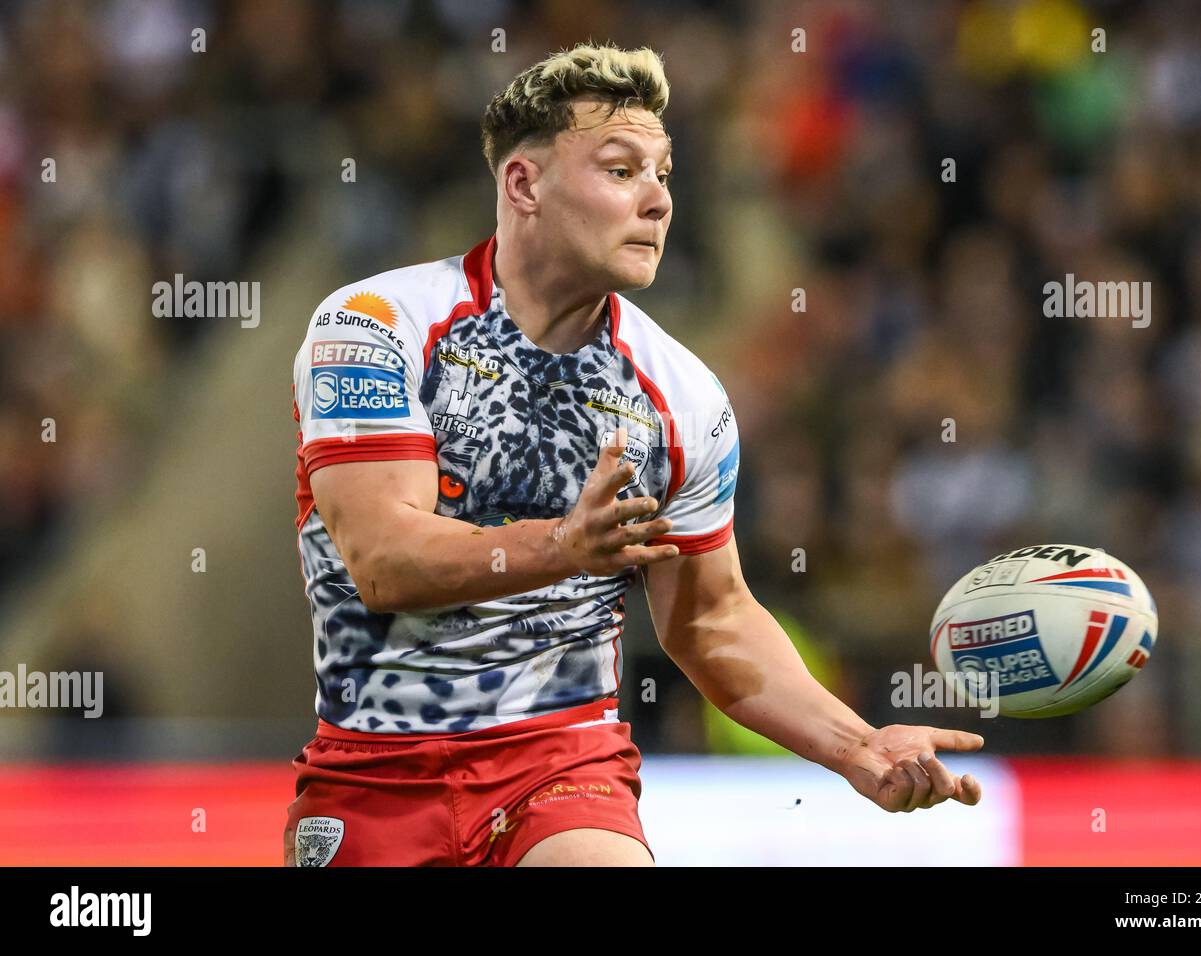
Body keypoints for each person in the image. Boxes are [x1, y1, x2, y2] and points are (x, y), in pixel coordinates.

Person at [285, 42, 982, 868]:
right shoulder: (374, 325)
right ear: (523, 184)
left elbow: (711, 618)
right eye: (622, 170)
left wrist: (857, 745)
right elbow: (383, 561)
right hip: (373, 772)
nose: (657, 201)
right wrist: (562, 548)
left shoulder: (681, 396)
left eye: (664, 174)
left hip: (559, 764)